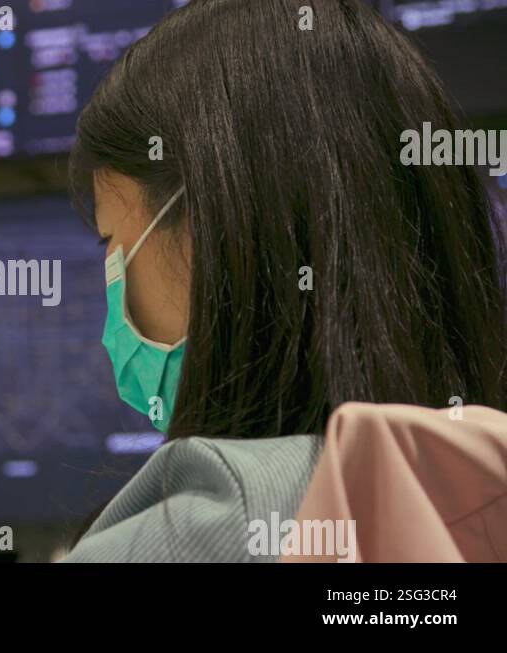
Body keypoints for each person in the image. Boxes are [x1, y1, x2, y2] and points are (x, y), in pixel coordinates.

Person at [63, 0, 507, 562]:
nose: (113, 295)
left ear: (213, 229)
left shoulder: (211, 528)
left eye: (112, 246)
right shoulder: (480, 485)